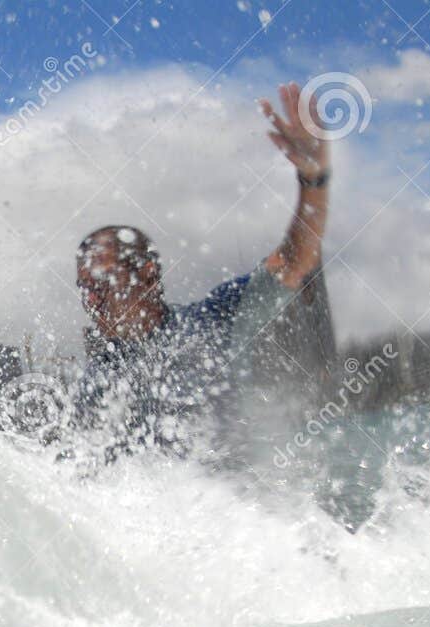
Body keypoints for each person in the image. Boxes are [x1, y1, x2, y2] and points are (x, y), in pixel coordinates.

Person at [74, 81, 336, 459]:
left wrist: (313, 178)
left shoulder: (214, 321)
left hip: (229, 493)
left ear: (147, 274)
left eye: (101, 282)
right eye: (83, 287)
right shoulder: (98, 379)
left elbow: (295, 261)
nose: (91, 299)